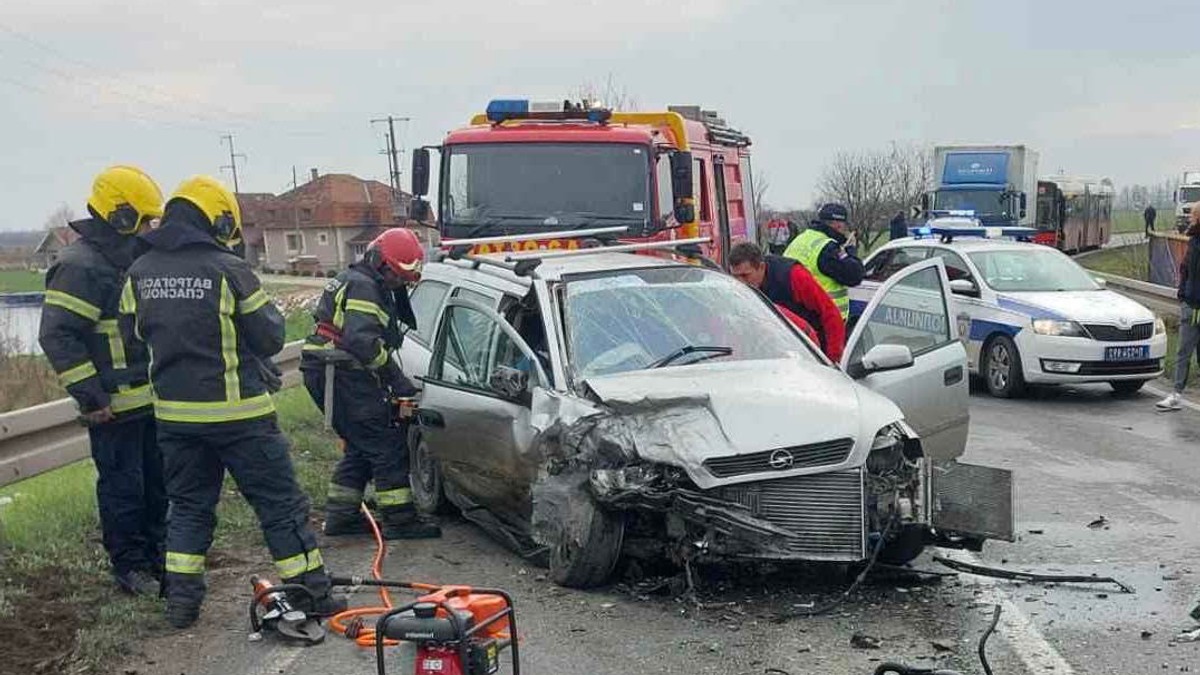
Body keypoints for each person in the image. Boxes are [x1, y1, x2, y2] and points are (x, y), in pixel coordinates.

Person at [121, 175, 343, 628]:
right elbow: (270, 336)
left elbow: (131, 341)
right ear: (218, 220)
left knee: (187, 508)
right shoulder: (227, 269)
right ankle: (312, 594)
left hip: (175, 418)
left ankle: (181, 606)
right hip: (240, 415)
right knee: (280, 506)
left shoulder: (139, 272)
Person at [38, 165, 166, 596]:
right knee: (123, 491)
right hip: (112, 408)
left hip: (150, 402)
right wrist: (93, 398)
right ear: (121, 215)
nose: (148, 229)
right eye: (144, 220)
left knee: (157, 486)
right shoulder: (80, 266)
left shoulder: (130, 260)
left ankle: (159, 559)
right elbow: (57, 334)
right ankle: (131, 568)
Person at [301, 228, 441, 540]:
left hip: (332, 371)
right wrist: (397, 380)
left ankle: (342, 516)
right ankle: (400, 520)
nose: (399, 283)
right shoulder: (365, 287)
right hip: (341, 373)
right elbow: (362, 342)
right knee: (385, 446)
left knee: (362, 447)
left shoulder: (358, 279)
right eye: (395, 275)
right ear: (379, 262)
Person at [728, 241, 845, 361]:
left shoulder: (794, 275)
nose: (740, 283)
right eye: (735, 277)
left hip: (813, 349)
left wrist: (833, 359)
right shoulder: (736, 288)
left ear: (761, 267)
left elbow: (830, 313)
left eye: (745, 275)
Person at [782, 203, 864, 320]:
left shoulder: (800, 240)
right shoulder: (827, 248)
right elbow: (855, 275)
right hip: (824, 320)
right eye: (844, 226)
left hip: (796, 317)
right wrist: (851, 250)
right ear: (838, 225)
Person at [1156, 207, 1200, 411]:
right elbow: (1185, 271)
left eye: (1192, 215)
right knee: (1183, 352)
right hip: (1191, 306)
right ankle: (1176, 393)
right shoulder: (1193, 242)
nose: (1189, 218)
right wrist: (1183, 295)